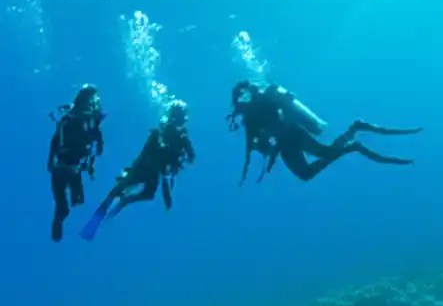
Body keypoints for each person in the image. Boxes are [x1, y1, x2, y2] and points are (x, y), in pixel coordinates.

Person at [226, 80, 419, 184]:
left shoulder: (254, 114)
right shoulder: (254, 113)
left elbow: (257, 142)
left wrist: (261, 150)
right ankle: (352, 133)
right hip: (289, 140)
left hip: (291, 136)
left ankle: (354, 141)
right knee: (309, 170)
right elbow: (255, 145)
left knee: (313, 167)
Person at [80, 100, 196, 241]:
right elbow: (184, 157)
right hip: (148, 169)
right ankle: (110, 211)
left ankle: (117, 206)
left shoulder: (173, 135)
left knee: (138, 193)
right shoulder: (164, 133)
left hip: (151, 170)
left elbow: (186, 157)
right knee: (129, 191)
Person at [47, 84, 105, 242]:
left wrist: (50, 161)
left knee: (67, 203)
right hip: (72, 168)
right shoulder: (85, 120)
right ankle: (65, 219)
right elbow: (96, 146)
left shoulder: (69, 118)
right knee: (74, 201)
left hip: (63, 167)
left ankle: (61, 217)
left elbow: (55, 140)